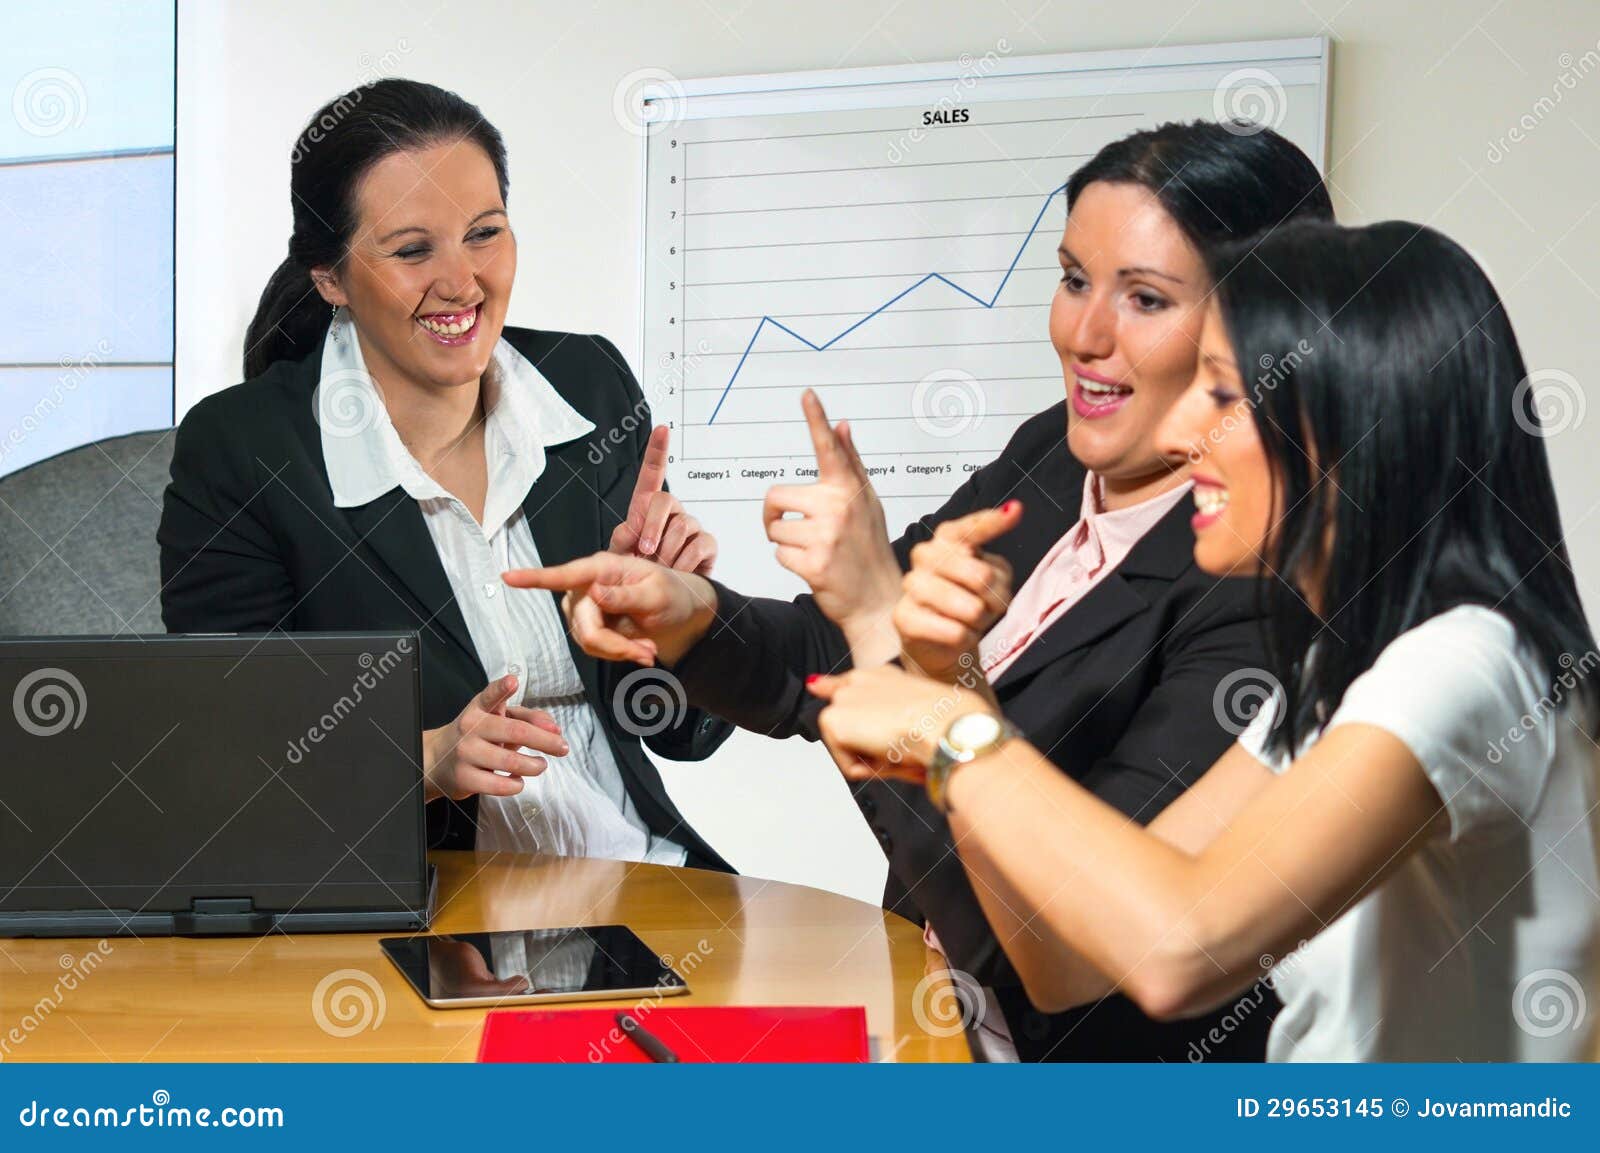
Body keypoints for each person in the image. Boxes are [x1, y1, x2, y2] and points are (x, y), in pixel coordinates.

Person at [506, 121, 1335, 1059]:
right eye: (1072, 280)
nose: (1084, 332)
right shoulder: (1053, 458)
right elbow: (830, 655)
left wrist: (879, 636)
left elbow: (1057, 953)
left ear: (1260, 327)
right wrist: (691, 613)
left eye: (1144, 297)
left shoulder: (1267, 580)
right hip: (939, 1023)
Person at [810, 218, 1600, 1061]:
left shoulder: (1462, 665)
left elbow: (1179, 954)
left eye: (1220, 394)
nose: (1183, 434)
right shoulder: (1336, 680)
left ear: (1346, 426)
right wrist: (956, 682)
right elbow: (1065, 964)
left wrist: (955, 736)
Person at [159, 79, 731, 870]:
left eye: (484, 233)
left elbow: (681, 731)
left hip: (644, 884)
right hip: (426, 921)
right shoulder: (243, 448)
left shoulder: (586, 383)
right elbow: (226, 772)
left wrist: (682, 624)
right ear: (330, 277)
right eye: (411, 249)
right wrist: (421, 763)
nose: (462, 281)